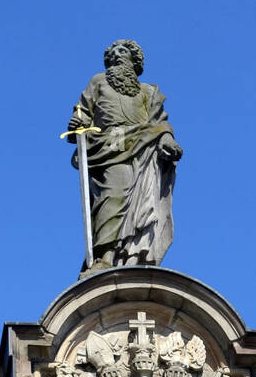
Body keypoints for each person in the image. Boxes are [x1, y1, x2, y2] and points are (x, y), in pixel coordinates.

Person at [65, 40, 182, 271]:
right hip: (110, 144)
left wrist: (166, 138)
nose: (116, 55)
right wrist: (77, 124)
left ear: (135, 59)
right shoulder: (99, 81)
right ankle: (104, 258)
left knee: (144, 203)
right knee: (113, 194)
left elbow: (160, 122)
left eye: (123, 51)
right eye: (112, 53)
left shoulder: (149, 91)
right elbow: (83, 113)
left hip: (144, 146)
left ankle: (133, 254)